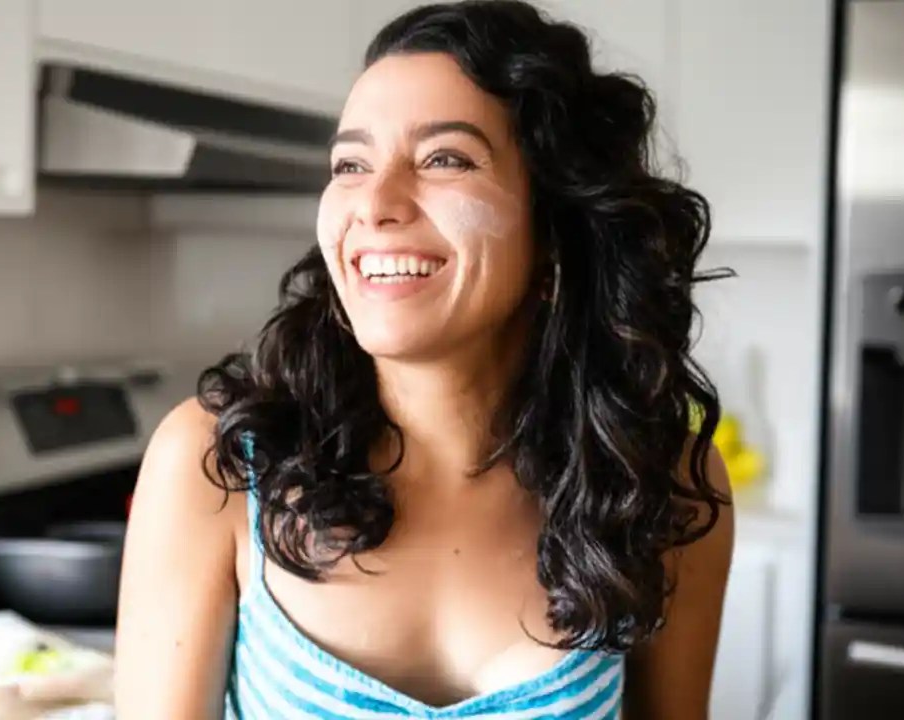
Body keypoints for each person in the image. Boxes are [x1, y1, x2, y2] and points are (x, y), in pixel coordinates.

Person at [114, 1, 734, 717]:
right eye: (351, 163)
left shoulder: (662, 487)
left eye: (445, 158)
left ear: (558, 225)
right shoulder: (218, 464)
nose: (374, 204)